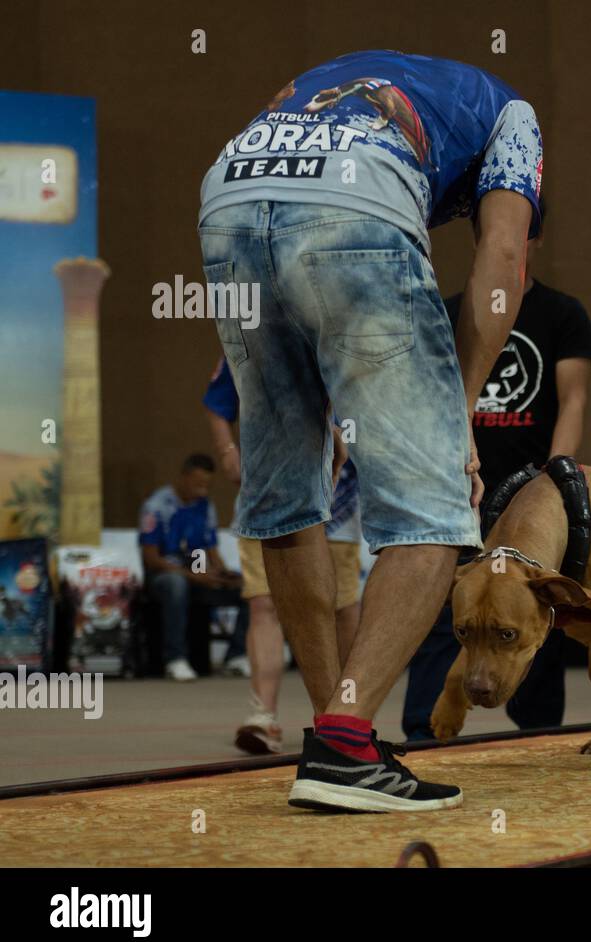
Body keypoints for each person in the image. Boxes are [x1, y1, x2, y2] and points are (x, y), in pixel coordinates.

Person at [197, 50, 541, 812]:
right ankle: (349, 739)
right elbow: (505, 256)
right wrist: (461, 413)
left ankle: (334, 738)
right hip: (355, 205)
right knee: (433, 506)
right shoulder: (513, 114)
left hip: (227, 200)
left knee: (287, 492)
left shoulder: (327, 77)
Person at [402, 199, 591, 738]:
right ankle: (425, 730)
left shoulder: (563, 314)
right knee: (447, 613)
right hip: (459, 484)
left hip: (530, 493)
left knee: (532, 608)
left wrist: (557, 479)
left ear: (534, 239)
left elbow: (573, 400)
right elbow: (426, 396)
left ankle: (537, 729)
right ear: (480, 237)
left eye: (522, 233)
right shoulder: (448, 312)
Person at [203, 356, 363, 754]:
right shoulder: (251, 328)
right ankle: (263, 718)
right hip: (267, 488)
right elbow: (218, 402)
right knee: (264, 603)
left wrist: (349, 440)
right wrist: (227, 450)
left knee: (341, 607)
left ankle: (347, 715)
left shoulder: (346, 332)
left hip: (339, 497)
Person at [138, 454, 248, 681]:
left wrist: (223, 573)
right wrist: (193, 576)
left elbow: (210, 550)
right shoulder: (156, 506)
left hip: (197, 572)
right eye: (198, 484)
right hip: (164, 574)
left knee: (249, 588)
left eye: (207, 485)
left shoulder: (205, 506)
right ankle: (175, 658)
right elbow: (151, 558)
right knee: (177, 585)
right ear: (184, 478)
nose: (203, 490)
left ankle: (236, 656)